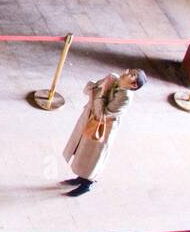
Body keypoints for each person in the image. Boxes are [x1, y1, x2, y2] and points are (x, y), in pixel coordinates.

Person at [62, 68, 147, 196]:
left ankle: (87, 184)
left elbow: (102, 114)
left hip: (103, 127)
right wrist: (99, 85)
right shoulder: (113, 79)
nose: (127, 72)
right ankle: (81, 177)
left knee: (94, 156)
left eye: (132, 75)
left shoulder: (125, 98)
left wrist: (104, 91)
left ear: (133, 85)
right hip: (89, 118)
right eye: (130, 70)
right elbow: (87, 90)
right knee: (82, 150)